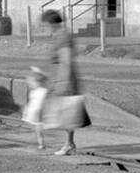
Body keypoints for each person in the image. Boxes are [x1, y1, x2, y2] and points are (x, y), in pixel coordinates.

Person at [43, 9, 89, 155]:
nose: (44, 28)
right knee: (66, 113)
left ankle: (69, 144)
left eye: (45, 25)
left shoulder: (63, 37)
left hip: (65, 80)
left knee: (67, 113)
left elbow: (66, 60)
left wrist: (62, 83)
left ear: (51, 24)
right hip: (61, 78)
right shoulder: (60, 36)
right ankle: (69, 143)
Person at [21, 67, 49, 150]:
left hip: (40, 112)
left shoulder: (43, 90)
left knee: (39, 128)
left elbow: (46, 79)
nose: (30, 85)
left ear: (38, 82)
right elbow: (30, 103)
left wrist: (39, 71)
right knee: (38, 129)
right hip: (36, 112)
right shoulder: (34, 92)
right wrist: (26, 111)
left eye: (31, 83)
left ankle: (41, 143)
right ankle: (41, 144)